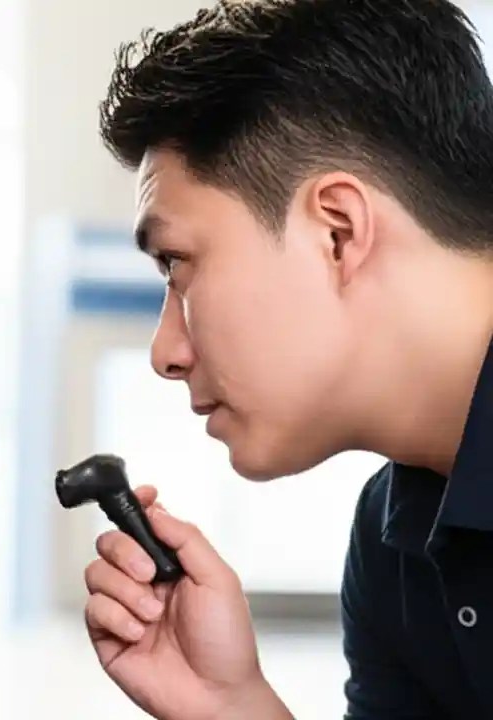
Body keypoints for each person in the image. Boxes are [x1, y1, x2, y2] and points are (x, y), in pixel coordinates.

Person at [85, 1, 493, 718]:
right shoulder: (393, 540)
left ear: (337, 231)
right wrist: (231, 704)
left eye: (178, 265)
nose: (165, 354)